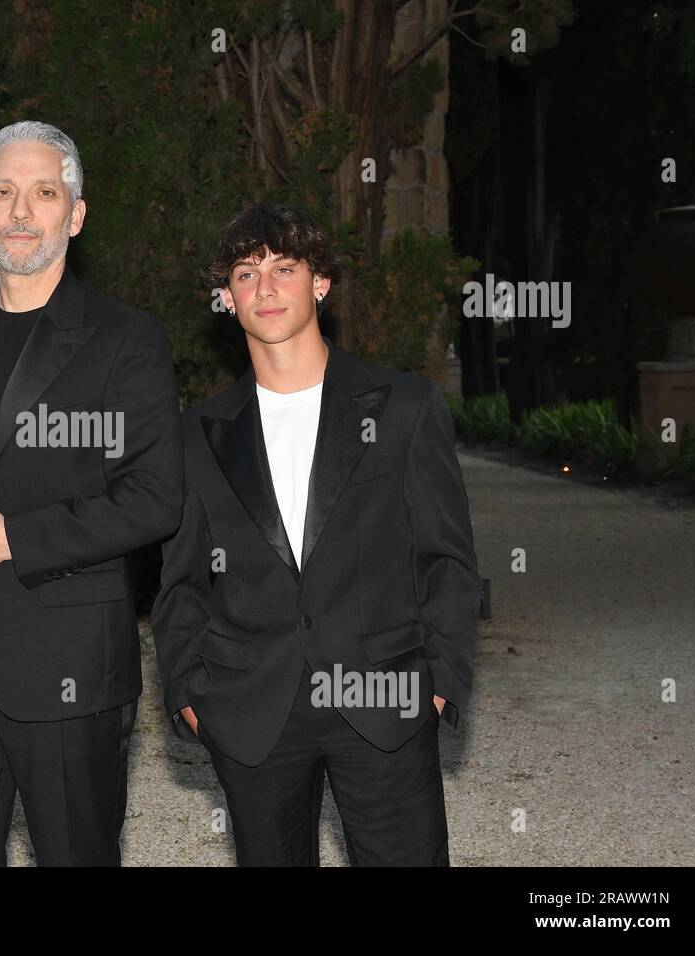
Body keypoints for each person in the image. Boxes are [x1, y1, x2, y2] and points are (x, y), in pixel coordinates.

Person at [0, 120, 182, 865]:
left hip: (73, 669)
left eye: (43, 192)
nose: (21, 211)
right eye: (3, 192)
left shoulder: (126, 338)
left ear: (74, 215)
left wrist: (19, 538)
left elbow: (155, 496)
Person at [152, 203, 480, 866]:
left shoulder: (405, 407)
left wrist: (439, 678)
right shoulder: (196, 436)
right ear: (227, 298)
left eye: (284, 268)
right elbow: (181, 582)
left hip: (384, 694)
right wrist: (187, 689)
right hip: (252, 706)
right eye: (246, 274)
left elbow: (447, 559)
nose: (265, 288)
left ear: (319, 283)